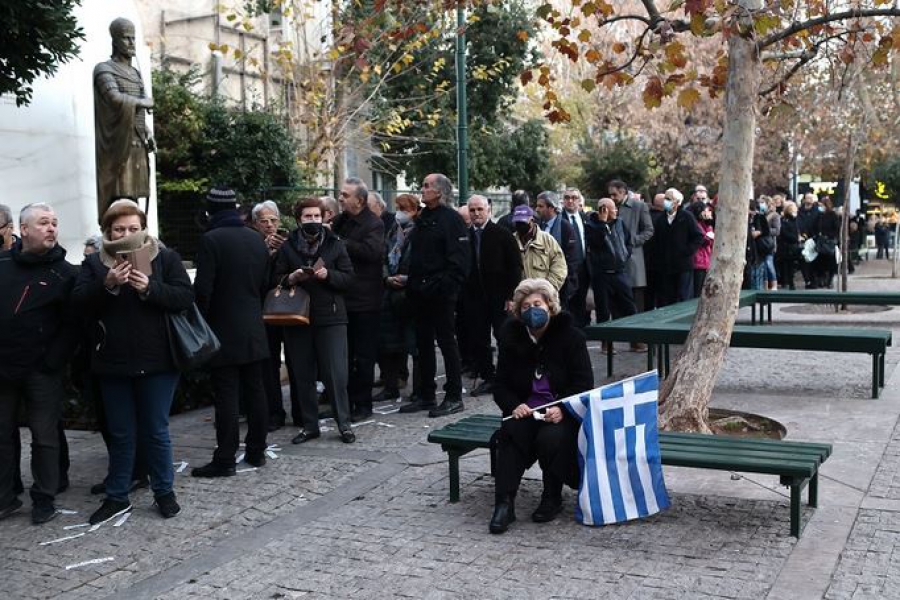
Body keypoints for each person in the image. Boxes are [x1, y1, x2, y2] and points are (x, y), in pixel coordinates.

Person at [73, 200, 193, 525]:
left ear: (143, 229)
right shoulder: (94, 264)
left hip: (158, 360)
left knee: (156, 431)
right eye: (119, 229)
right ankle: (117, 496)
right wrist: (108, 284)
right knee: (121, 432)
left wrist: (150, 289)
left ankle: (164, 493)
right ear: (107, 232)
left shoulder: (164, 258)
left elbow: (184, 297)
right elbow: (79, 304)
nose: (126, 233)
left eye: (133, 228)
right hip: (112, 361)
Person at [488, 278, 594, 534]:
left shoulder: (571, 337)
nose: (532, 310)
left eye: (537, 304)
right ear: (518, 311)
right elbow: (500, 385)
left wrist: (564, 408)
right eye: (525, 306)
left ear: (550, 305)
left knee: (552, 438)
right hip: (525, 411)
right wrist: (514, 405)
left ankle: (552, 496)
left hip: (559, 412)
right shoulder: (510, 338)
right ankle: (504, 503)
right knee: (511, 436)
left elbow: (584, 382)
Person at [0, 204, 78, 524]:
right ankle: (4, 497)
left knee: (44, 436)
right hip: (3, 368)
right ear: (24, 229)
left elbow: (74, 324)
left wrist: (52, 361)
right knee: (2, 436)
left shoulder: (66, 272)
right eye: (43, 223)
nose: (51, 229)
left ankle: (44, 496)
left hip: (42, 370)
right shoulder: (3, 263)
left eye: (55, 223)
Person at [191, 188, 271, 478]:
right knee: (255, 391)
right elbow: (265, 283)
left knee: (227, 396)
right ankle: (256, 451)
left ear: (211, 210)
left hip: (222, 329)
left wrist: (200, 322)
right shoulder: (255, 239)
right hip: (253, 325)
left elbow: (203, 289)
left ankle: (225, 458)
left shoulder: (211, 239)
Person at [274, 198, 356, 444]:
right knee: (302, 374)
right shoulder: (288, 246)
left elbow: (349, 278)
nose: (313, 221)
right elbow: (274, 278)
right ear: (299, 219)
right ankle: (310, 426)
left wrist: (328, 275)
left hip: (331, 317)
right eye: (308, 217)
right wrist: (291, 277)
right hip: (297, 317)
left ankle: (344, 424)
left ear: (324, 218)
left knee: (336, 375)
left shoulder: (335, 244)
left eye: (317, 217)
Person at [398, 173, 470, 418]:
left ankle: (453, 396)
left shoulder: (452, 220)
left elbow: (459, 262)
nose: (423, 189)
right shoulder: (423, 218)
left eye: (427, 186)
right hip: (419, 293)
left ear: (439, 191)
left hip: (440, 294)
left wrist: (443, 286)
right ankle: (426, 393)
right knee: (423, 344)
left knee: (447, 343)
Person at [333, 178, 386, 421]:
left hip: (365, 302)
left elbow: (372, 253)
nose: (341, 198)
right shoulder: (340, 221)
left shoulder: (373, 224)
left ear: (360, 200)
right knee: (344, 355)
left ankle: (362, 405)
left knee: (363, 356)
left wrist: (341, 244)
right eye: (340, 194)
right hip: (342, 297)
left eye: (345, 195)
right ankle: (344, 402)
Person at [462, 195, 522, 397]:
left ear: (489, 209)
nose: (476, 213)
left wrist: (511, 296)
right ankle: (488, 376)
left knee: (503, 336)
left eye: (480, 209)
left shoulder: (502, 234)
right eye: (472, 210)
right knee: (479, 338)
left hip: (499, 296)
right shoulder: (464, 235)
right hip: (474, 297)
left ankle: (508, 376)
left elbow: (515, 267)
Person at [93, 18, 154, 216]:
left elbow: (138, 114)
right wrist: (143, 102)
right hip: (118, 143)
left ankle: (135, 230)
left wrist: (148, 132)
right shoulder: (104, 69)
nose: (131, 43)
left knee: (135, 195)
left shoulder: (136, 73)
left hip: (137, 140)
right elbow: (114, 98)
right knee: (121, 193)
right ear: (115, 41)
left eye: (133, 39)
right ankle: (119, 229)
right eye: (126, 39)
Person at [251, 200, 298, 430]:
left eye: (273, 220)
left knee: (296, 359)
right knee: (269, 364)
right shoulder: (252, 245)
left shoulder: (290, 242)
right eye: (264, 221)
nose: (270, 225)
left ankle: (300, 411)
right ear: (255, 224)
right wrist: (265, 253)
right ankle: (274, 412)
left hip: (291, 308)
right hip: (264, 310)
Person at [376, 194, 421, 403]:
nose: (399, 212)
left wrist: (405, 279)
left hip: (410, 293)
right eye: (398, 208)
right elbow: (385, 255)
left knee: (414, 344)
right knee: (389, 343)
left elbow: (422, 261)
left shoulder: (420, 231)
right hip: (390, 292)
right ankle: (390, 385)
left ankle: (419, 389)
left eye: (404, 208)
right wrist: (387, 277)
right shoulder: (393, 230)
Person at [584, 198, 637, 326]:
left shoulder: (619, 222)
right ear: (604, 210)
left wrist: (625, 255)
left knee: (629, 305)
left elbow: (628, 241)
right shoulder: (591, 226)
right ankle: (606, 343)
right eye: (613, 209)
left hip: (619, 272)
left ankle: (636, 338)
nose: (616, 211)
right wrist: (602, 224)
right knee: (603, 310)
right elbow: (595, 242)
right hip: (601, 274)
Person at [608, 180, 654, 318]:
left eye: (614, 194)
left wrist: (631, 241)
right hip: (615, 263)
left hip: (633, 260)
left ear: (623, 192)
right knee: (616, 304)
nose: (612, 198)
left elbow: (649, 230)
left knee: (636, 304)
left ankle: (637, 338)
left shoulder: (639, 206)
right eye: (610, 195)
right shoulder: (610, 207)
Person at [656, 188, 704, 305]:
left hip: (683, 265)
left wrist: (687, 251)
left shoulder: (686, 217)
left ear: (677, 202)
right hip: (666, 266)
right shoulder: (660, 219)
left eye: (669, 199)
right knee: (667, 297)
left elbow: (698, 237)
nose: (665, 202)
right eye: (665, 199)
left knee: (683, 296)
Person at [511, 205, 568, 292]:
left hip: (543, 297)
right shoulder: (510, 241)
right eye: (517, 223)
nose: (520, 226)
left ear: (532, 221)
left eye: (523, 222)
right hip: (519, 297)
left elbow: (559, 267)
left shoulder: (547, 240)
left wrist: (547, 290)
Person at [535, 191, 577, 308]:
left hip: (561, 284)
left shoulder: (565, 227)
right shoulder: (537, 226)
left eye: (541, 206)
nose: (537, 209)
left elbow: (571, 258)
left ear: (551, 207)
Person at [560, 189, 590, 327]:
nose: (570, 200)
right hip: (566, 268)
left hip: (584, 267)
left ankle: (581, 331)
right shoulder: (559, 220)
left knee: (581, 302)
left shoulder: (586, 218)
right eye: (567, 197)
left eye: (574, 198)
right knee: (567, 302)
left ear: (579, 200)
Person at [689, 202, 715, 298]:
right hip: (698, 261)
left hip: (705, 260)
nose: (708, 213)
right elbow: (704, 240)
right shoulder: (696, 224)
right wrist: (709, 234)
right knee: (697, 290)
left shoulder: (706, 225)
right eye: (706, 211)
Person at [815, 197, 841, 289]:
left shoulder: (832, 215)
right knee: (821, 261)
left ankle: (829, 280)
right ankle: (822, 279)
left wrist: (830, 236)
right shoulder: (820, 215)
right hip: (821, 241)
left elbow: (836, 228)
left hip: (829, 241)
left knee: (830, 261)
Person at [746, 199, 771, 290]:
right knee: (751, 274)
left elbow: (766, 231)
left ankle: (759, 291)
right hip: (749, 249)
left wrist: (758, 232)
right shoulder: (745, 218)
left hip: (759, 248)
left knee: (759, 272)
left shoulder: (760, 217)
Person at [777, 201, 801, 289]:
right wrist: (795, 238)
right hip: (786, 246)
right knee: (786, 265)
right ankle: (786, 282)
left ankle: (790, 282)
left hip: (792, 246)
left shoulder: (794, 220)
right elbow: (784, 232)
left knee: (791, 265)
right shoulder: (784, 220)